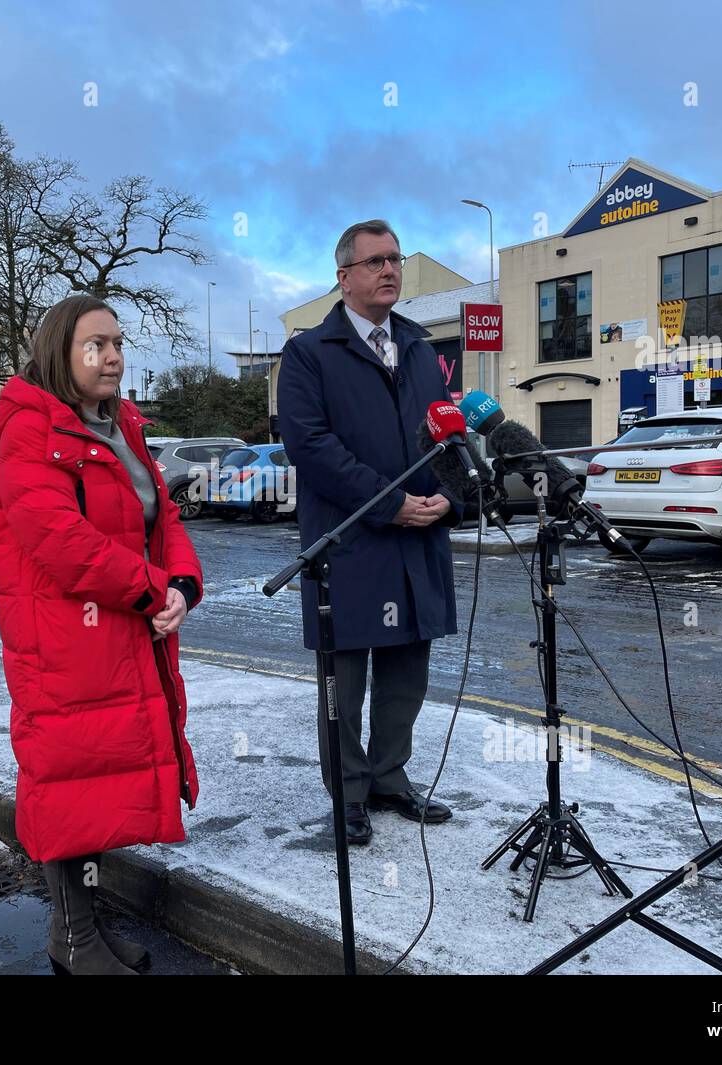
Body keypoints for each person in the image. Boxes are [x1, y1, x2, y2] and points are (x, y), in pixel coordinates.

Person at [0, 294, 204, 974]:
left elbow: (162, 515)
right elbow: (62, 541)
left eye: (117, 343)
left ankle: (80, 931)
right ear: (61, 351)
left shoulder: (121, 425)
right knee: (68, 786)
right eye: (96, 345)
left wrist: (182, 586)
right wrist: (149, 589)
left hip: (122, 634)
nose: (112, 356)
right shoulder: (26, 428)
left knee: (99, 790)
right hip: (64, 643)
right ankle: (75, 939)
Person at [277, 219, 463, 846]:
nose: (389, 270)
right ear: (344, 276)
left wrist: (448, 497)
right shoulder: (308, 353)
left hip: (419, 541)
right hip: (351, 543)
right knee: (345, 682)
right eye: (376, 261)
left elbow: (447, 433)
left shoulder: (418, 346)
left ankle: (389, 778)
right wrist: (392, 505)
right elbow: (311, 446)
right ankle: (349, 793)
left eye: (396, 260)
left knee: (407, 673)